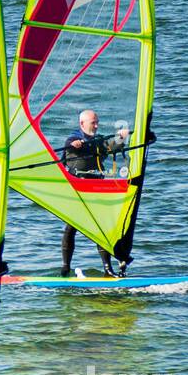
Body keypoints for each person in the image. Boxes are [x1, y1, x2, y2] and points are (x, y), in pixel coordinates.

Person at [59, 108, 129, 277]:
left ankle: (107, 268)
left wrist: (121, 137)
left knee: (102, 226)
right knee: (72, 227)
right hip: (78, 188)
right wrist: (75, 145)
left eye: (97, 122)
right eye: (93, 123)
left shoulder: (98, 140)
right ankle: (65, 268)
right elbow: (70, 145)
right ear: (82, 124)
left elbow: (111, 145)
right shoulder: (74, 138)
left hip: (97, 187)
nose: (97, 125)